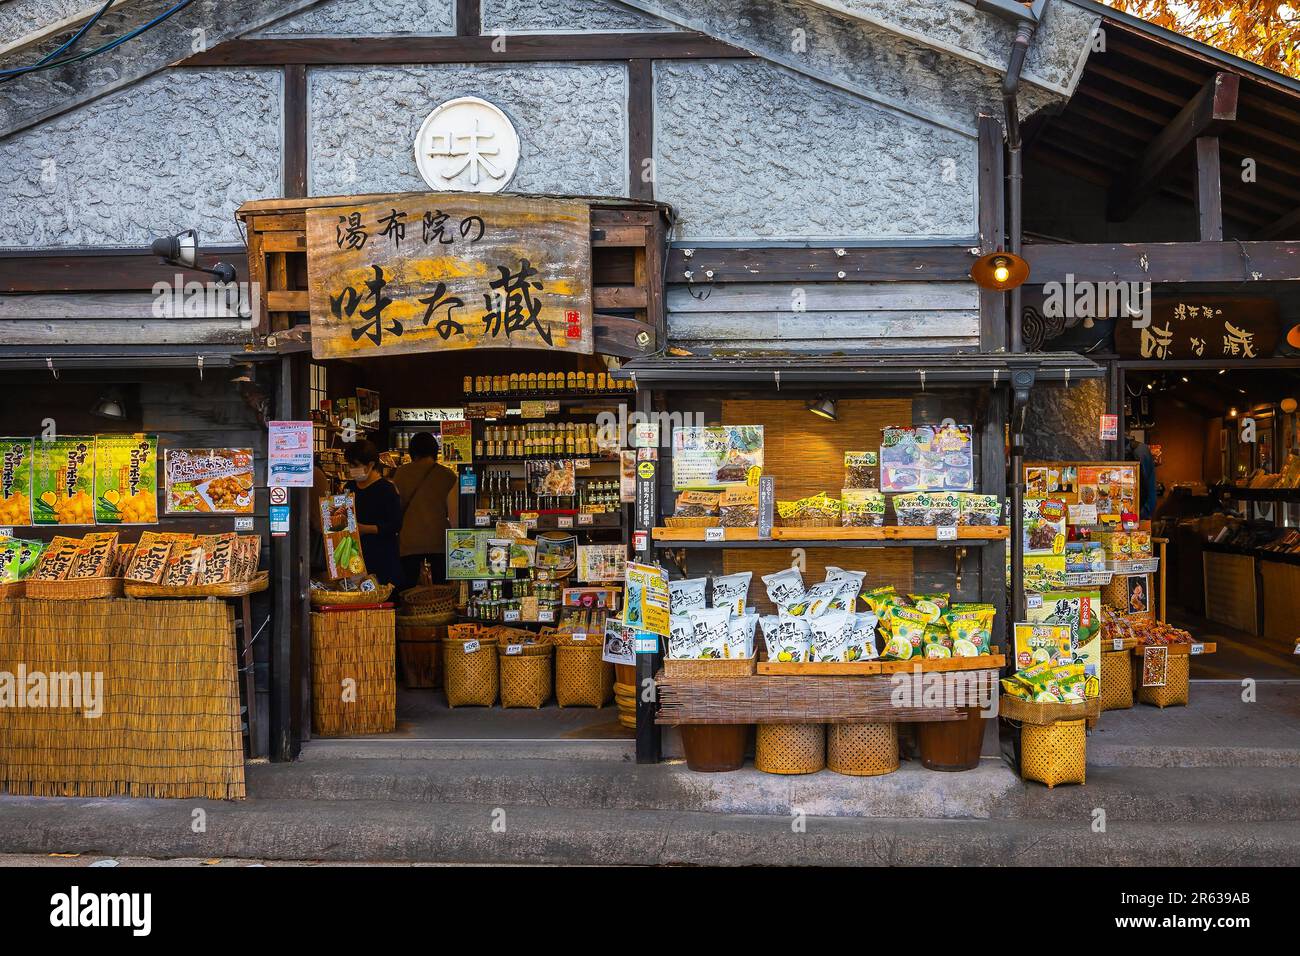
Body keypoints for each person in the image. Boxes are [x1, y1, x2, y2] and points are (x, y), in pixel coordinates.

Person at [393, 431, 459, 587]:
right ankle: (438, 611)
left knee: (408, 590)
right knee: (440, 590)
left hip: (409, 542)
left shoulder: (401, 473)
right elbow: (454, 511)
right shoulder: (447, 475)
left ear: (412, 450)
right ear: (435, 450)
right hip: (439, 541)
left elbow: (397, 506)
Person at [342, 440, 402, 587]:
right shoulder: (348, 488)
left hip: (381, 556)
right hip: (353, 555)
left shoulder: (386, 489)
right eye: (349, 465)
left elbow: (395, 524)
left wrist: (365, 529)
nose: (351, 469)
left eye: (355, 465)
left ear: (370, 465)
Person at [1126, 436, 1157, 520]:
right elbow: (1150, 485)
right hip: (1140, 511)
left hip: (1139, 511)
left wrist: (1143, 514)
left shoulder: (1140, 450)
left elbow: (1149, 485)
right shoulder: (1142, 449)